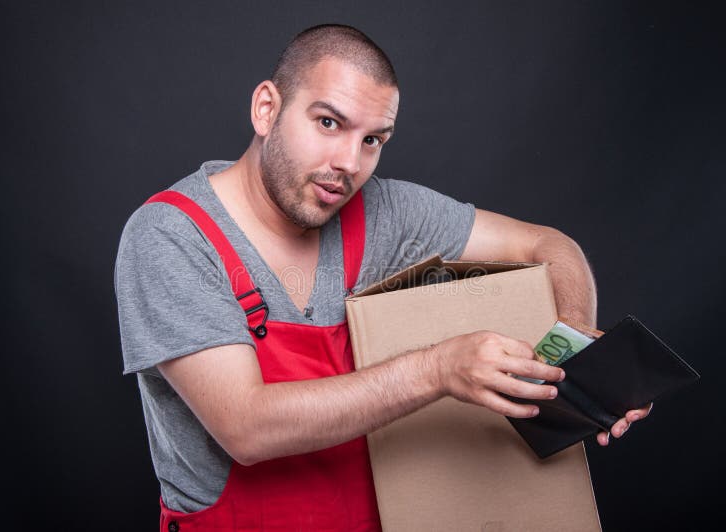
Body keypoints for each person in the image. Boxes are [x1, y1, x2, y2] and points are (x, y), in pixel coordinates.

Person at [115, 24, 651, 531]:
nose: (348, 163)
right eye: (329, 123)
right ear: (266, 109)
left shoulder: (383, 215)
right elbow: (247, 428)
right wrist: (439, 369)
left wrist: (578, 346)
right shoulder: (171, 237)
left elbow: (548, 245)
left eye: (374, 139)